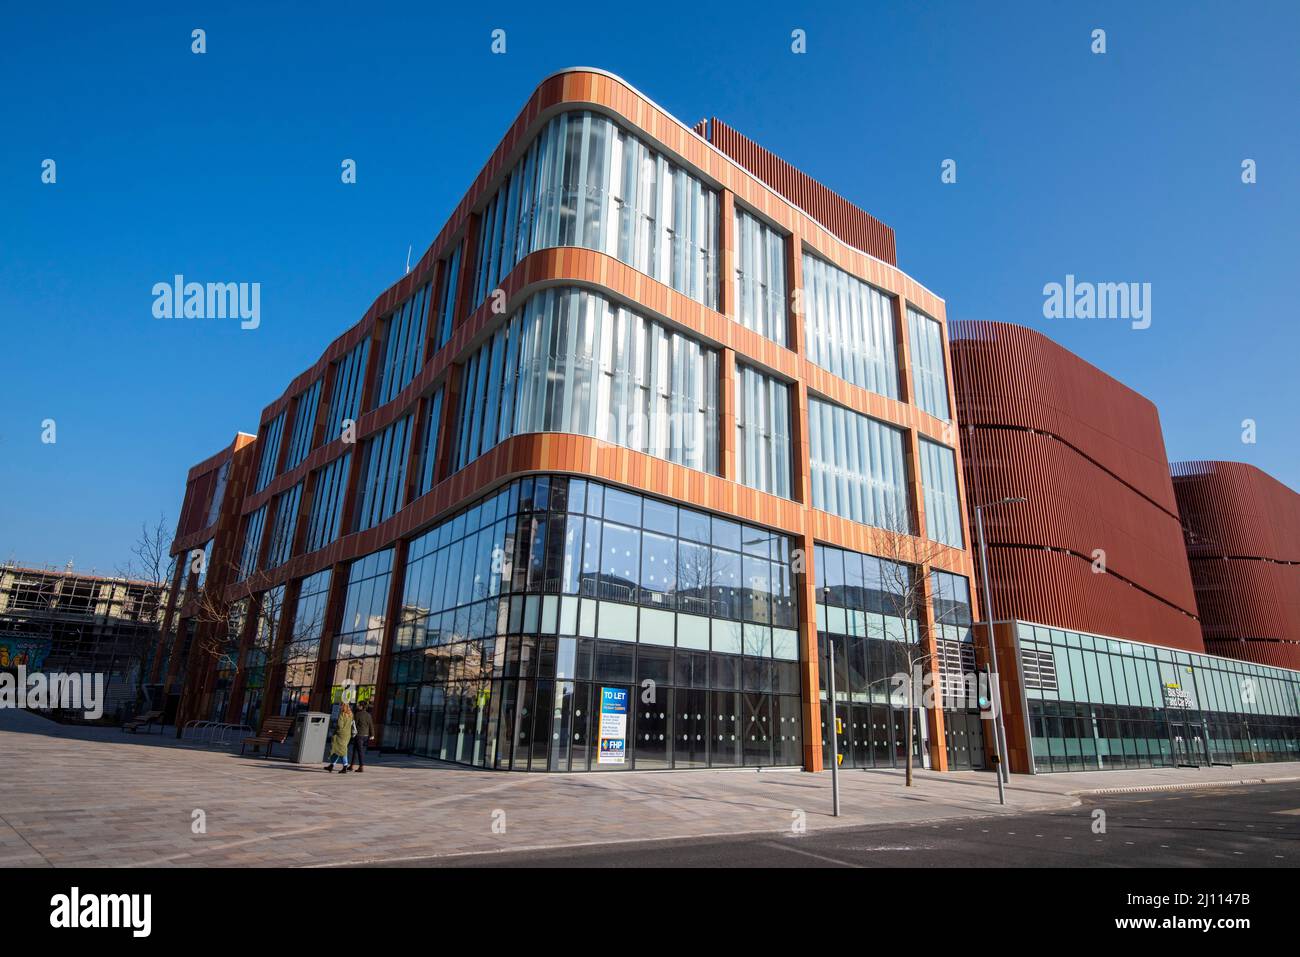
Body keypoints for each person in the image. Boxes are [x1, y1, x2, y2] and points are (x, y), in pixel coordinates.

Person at [325, 702, 353, 773]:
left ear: (343, 707)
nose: (340, 707)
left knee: (342, 751)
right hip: (347, 735)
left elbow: (340, 725)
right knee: (337, 750)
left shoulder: (342, 714)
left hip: (340, 735)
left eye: (341, 706)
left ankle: (345, 766)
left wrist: (336, 732)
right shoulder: (350, 715)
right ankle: (332, 765)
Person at [351, 701, 375, 772]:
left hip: (359, 735)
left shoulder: (358, 714)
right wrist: (372, 735)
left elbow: (354, 724)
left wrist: (351, 733)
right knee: (355, 750)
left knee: (359, 751)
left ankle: (361, 766)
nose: (358, 706)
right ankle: (351, 765)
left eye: (359, 705)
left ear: (362, 706)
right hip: (366, 735)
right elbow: (371, 725)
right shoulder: (368, 715)